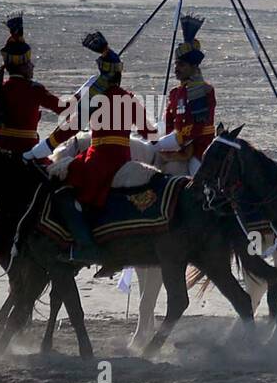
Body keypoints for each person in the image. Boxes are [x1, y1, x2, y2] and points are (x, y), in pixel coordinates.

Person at [24, 32, 155, 262]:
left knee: (63, 186)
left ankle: (83, 245)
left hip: (100, 160)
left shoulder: (96, 100)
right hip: (125, 158)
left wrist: (37, 151)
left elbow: (68, 130)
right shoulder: (130, 98)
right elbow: (149, 133)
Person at [0, 13, 67, 153]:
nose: (33, 66)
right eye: (29, 63)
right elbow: (62, 108)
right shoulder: (34, 89)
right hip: (26, 147)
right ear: (23, 67)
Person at [154, 15, 216, 170]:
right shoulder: (175, 92)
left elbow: (197, 127)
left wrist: (171, 142)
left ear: (193, 67)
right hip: (178, 145)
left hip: (201, 148)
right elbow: (169, 121)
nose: (176, 69)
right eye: (176, 64)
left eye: (181, 65)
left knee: (197, 172)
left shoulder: (205, 90)